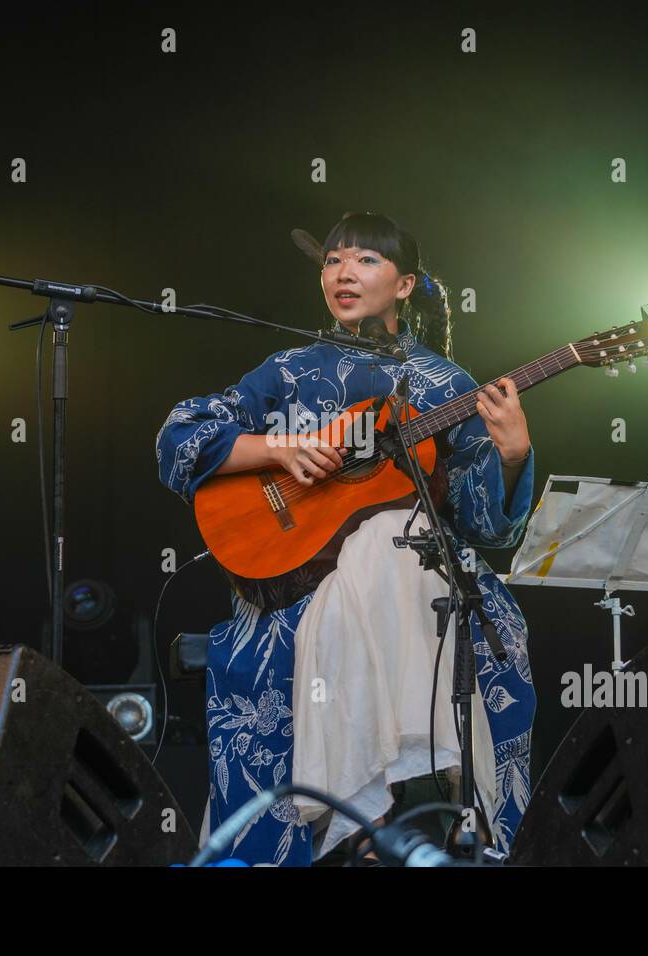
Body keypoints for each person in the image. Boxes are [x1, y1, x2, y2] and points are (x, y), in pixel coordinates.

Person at [156, 212, 537, 865]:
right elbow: (180, 435)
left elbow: (485, 525)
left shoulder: (448, 383)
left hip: (424, 572)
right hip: (298, 574)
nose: (342, 273)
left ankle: (429, 818)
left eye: (364, 261)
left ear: (405, 284)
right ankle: (363, 824)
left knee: (419, 564)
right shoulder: (288, 368)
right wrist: (279, 447)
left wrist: (511, 454)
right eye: (333, 261)